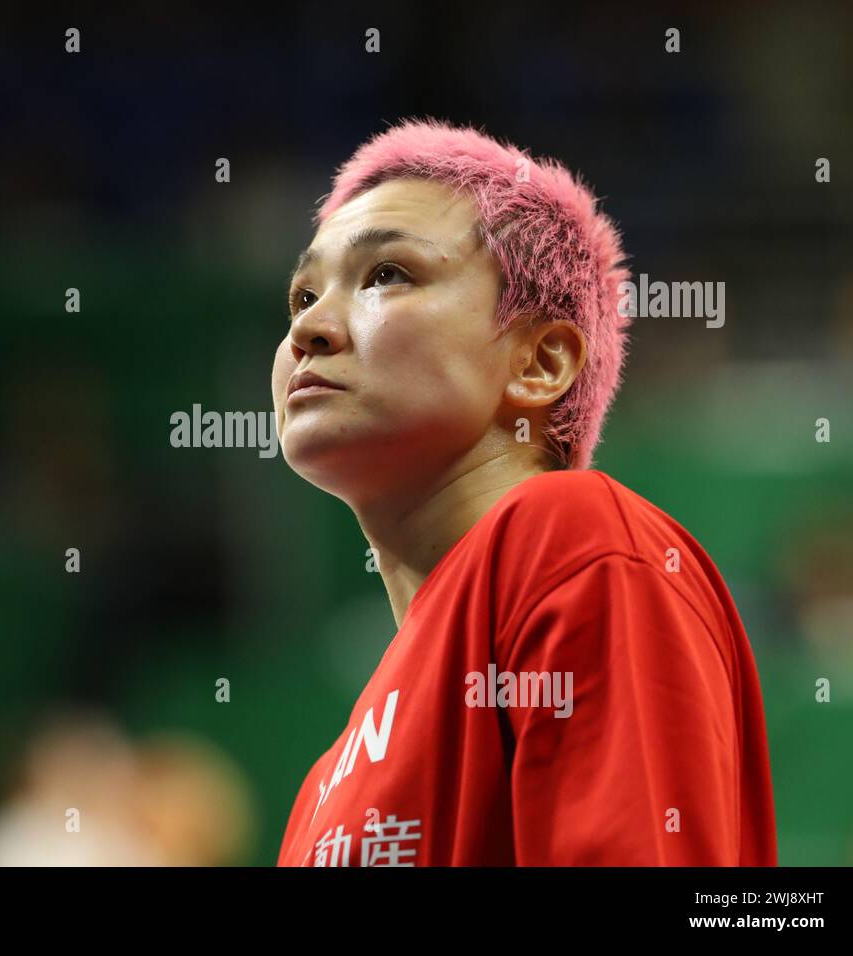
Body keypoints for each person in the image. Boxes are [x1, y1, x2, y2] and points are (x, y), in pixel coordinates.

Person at [271, 117, 776, 866]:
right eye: (302, 295)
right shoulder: (326, 781)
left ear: (540, 363)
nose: (310, 326)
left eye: (387, 274)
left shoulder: (573, 534)